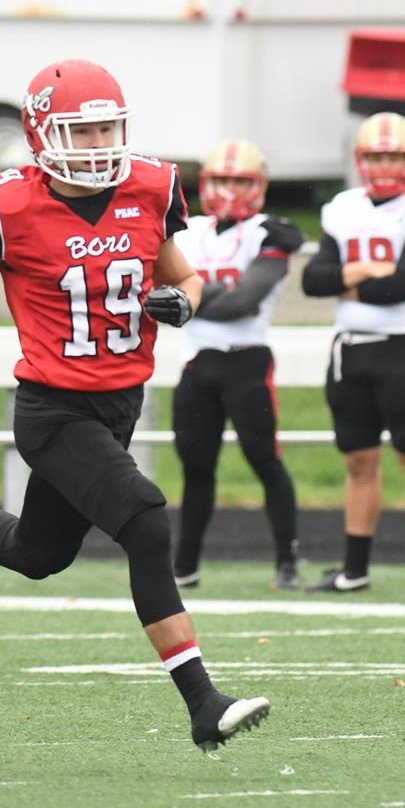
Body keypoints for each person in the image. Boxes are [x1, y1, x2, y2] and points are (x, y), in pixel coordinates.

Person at [0, 59, 271, 751]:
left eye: (108, 128)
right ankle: (201, 702)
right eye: (82, 131)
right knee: (144, 521)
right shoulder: (11, 206)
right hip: (53, 411)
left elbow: (187, 277)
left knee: (37, 552)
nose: (100, 143)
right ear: (42, 136)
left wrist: (183, 302)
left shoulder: (145, 189)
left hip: (117, 405)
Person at [169, 139, 306, 591]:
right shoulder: (187, 231)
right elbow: (156, 289)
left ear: (259, 186)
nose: (229, 189)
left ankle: (286, 561)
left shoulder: (271, 230)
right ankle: (184, 565)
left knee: (265, 460)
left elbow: (243, 303)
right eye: (223, 180)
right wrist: (205, 296)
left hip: (248, 360)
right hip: (198, 364)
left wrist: (189, 298)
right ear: (207, 183)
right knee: (196, 466)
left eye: (239, 181)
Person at [301, 111, 405, 593]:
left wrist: (349, 276)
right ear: (360, 159)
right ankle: (355, 570)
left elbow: (398, 290)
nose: (385, 164)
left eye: (394, 155)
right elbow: (311, 280)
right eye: (376, 155)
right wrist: (367, 273)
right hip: (351, 352)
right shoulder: (342, 207)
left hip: (400, 348)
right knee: (359, 462)